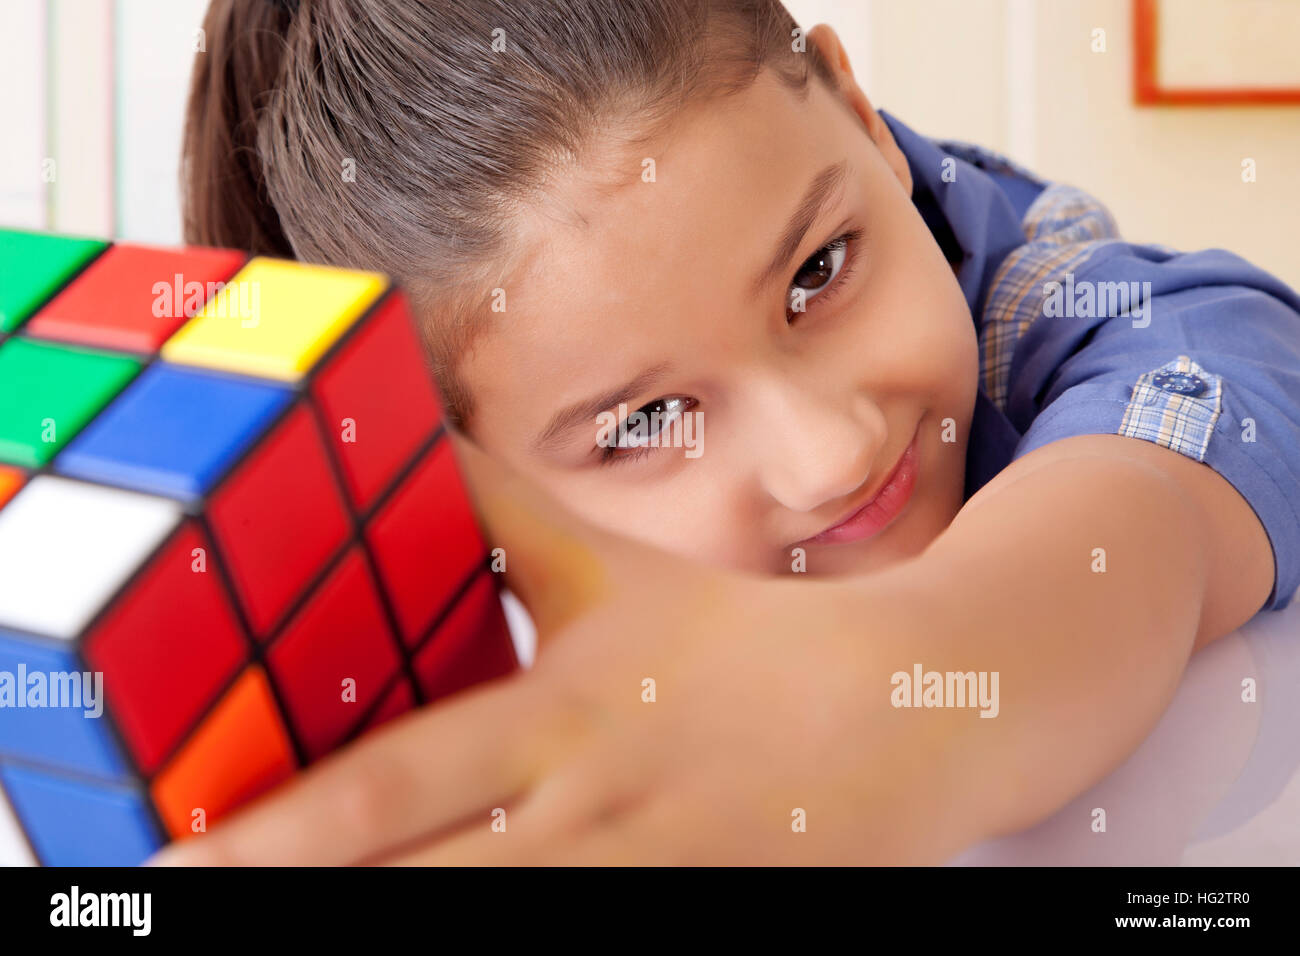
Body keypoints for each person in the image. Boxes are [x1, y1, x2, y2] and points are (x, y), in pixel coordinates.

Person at [152, 0, 1300, 864]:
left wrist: (885, 703)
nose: (833, 450)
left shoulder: (1073, 306)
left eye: (818, 271)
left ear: (859, 115)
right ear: (452, 482)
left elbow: (1178, 458)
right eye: (648, 421)